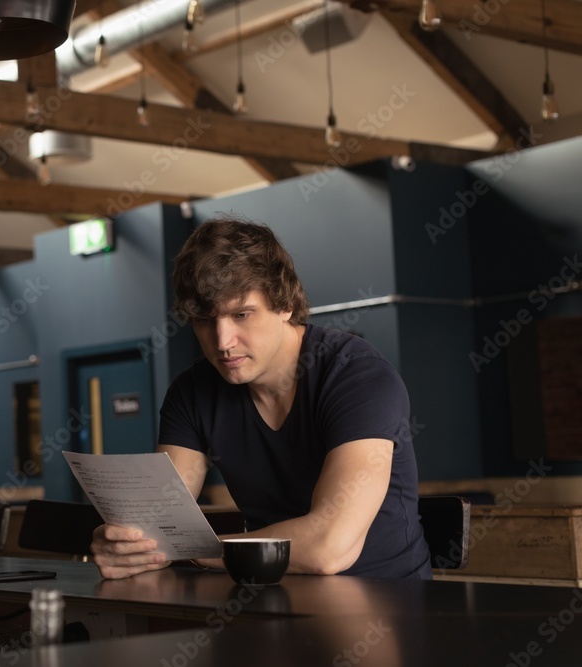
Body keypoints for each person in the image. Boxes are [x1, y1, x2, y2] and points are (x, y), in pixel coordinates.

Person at [91, 217, 432, 580]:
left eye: (241, 315)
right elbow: (160, 524)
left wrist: (199, 551)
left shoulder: (358, 377)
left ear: (284, 304)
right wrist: (127, 546)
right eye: (206, 320)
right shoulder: (192, 392)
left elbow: (329, 549)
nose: (222, 341)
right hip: (268, 594)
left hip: (389, 603)